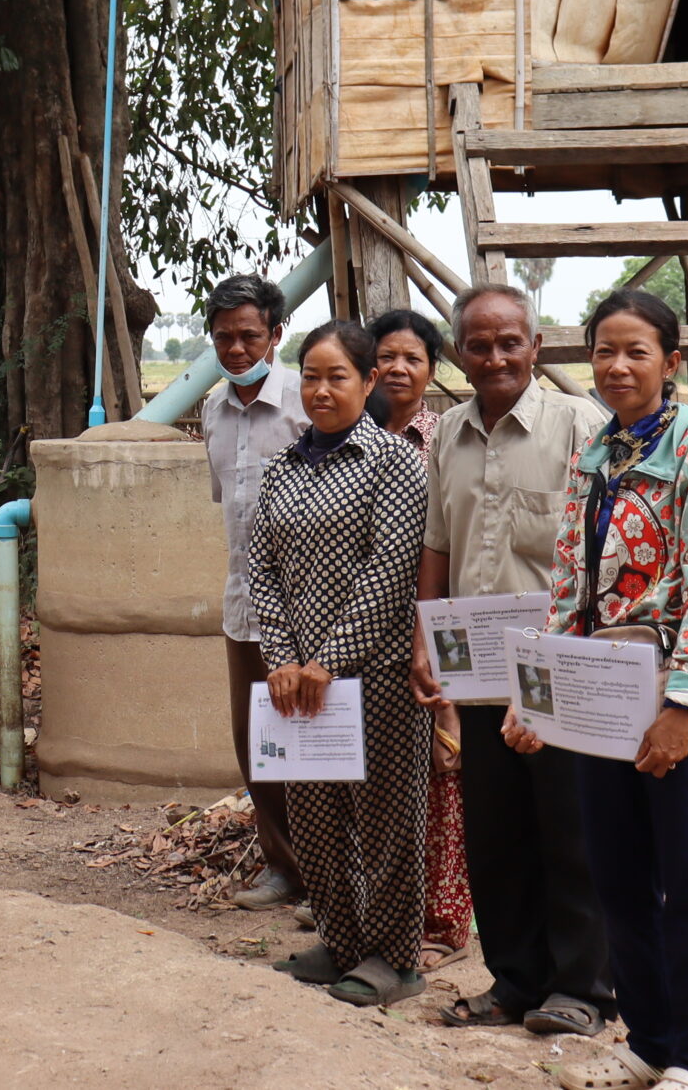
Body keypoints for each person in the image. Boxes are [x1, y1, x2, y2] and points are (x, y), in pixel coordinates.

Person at [505, 289, 688, 1090]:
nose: (616, 366)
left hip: (682, 702)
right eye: (604, 350)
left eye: (636, 350)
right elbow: (567, 588)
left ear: (671, 362)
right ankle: (649, 1040)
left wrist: (683, 708)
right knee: (618, 877)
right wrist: (534, 694)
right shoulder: (594, 456)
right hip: (600, 696)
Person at [412, 285, 612, 1038]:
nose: (494, 357)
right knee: (496, 833)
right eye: (477, 344)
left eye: (508, 343)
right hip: (479, 668)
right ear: (459, 352)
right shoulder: (449, 433)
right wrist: (424, 637)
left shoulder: (578, 425)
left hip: (563, 663)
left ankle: (582, 989)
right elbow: (439, 540)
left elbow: (604, 549)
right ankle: (513, 982)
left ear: (535, 347)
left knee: (570, 828)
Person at [250, 319, 431, 1009]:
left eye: (338, 376)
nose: (322, 390)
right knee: (317, 817)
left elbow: (388, 570)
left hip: (375, 675)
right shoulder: (282, 466)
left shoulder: (391, 461)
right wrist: (285, 659)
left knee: (386, 821)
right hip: (297, 682)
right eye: (312, 375)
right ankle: (342, 941)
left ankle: (394, 959)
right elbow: (261, 568)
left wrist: (330, 658)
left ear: (368, 381)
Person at [363, 307, 469, 970]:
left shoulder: (445, 438)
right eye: (388, 356)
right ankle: (377, 907)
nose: (399, 368)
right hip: (367, 633)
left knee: (442, 771)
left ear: (433, 368)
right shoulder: (355, 433)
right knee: (375, 775)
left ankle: (444, 920)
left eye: (414, 357)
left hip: (436, 621)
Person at [199, 272, 307, 911]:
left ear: (274, 335)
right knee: (258, 740)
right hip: (244, 605)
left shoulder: (303, 402)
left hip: (305, 609)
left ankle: (330, 876)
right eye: (223, 338)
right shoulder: (213, 408)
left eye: (248, 336)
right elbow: (229, 509)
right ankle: (283, 868)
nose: (236, 350)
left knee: (314, 740)